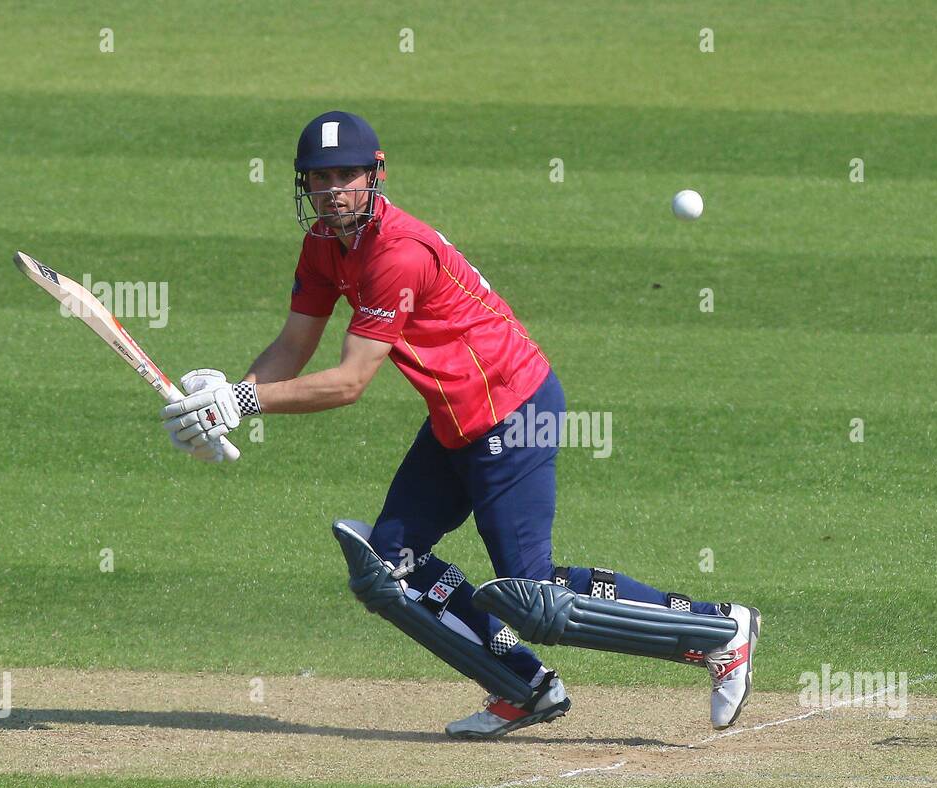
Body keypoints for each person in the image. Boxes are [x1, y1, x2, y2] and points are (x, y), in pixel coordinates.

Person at [161, 110, 760, 738]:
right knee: (387, 565)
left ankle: (719, 631)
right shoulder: (322, 247)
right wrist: (228, 394)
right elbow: (292, 345)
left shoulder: (396, 254)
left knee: (531, 597)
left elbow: (349, 382)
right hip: (456, 416)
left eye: (346, 175)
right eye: (318, 177)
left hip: (513, 408)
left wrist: (245, 406)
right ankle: (523, 687)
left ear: (376, 175)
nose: (332, 189)